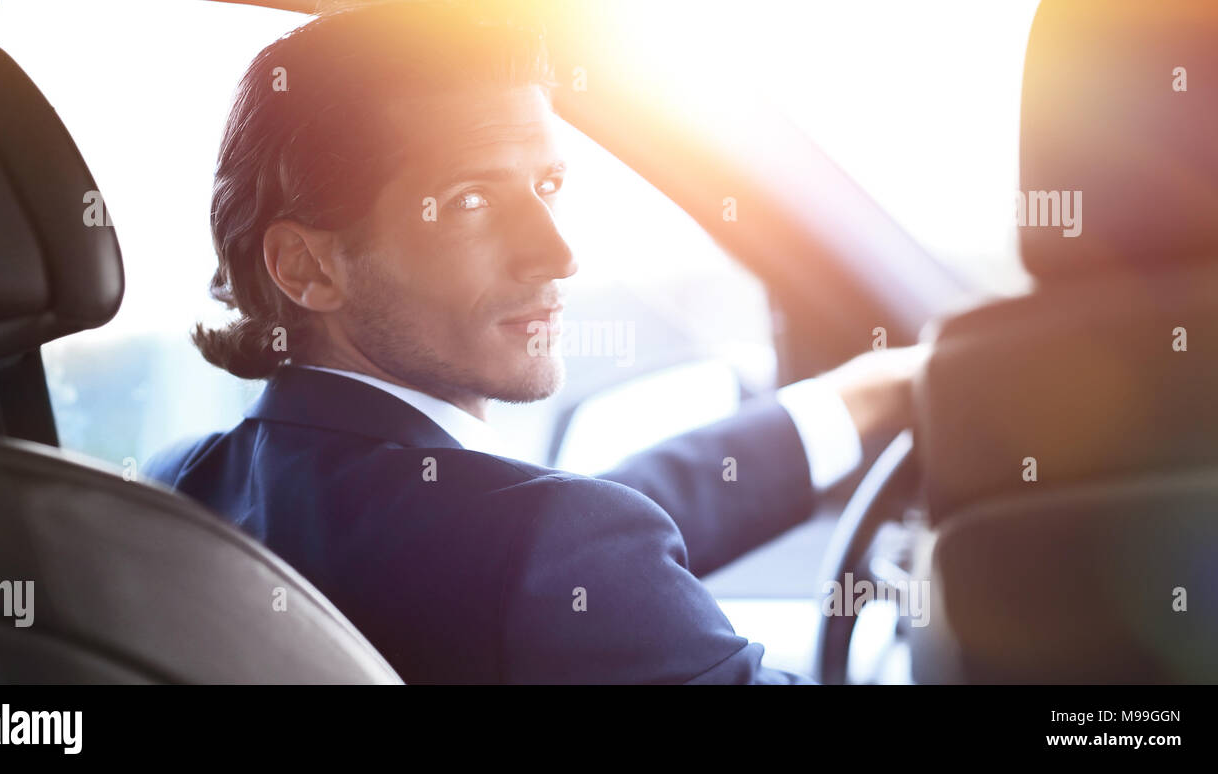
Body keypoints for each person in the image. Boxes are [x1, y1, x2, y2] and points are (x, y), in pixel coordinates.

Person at [145, 1, 925, 683]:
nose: (556, 252)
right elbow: (555, 550)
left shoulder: (178, 491)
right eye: (470, 199)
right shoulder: (547, 556)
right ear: (308, 267)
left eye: (547, 187)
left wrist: (862, 400)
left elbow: (548, 531)